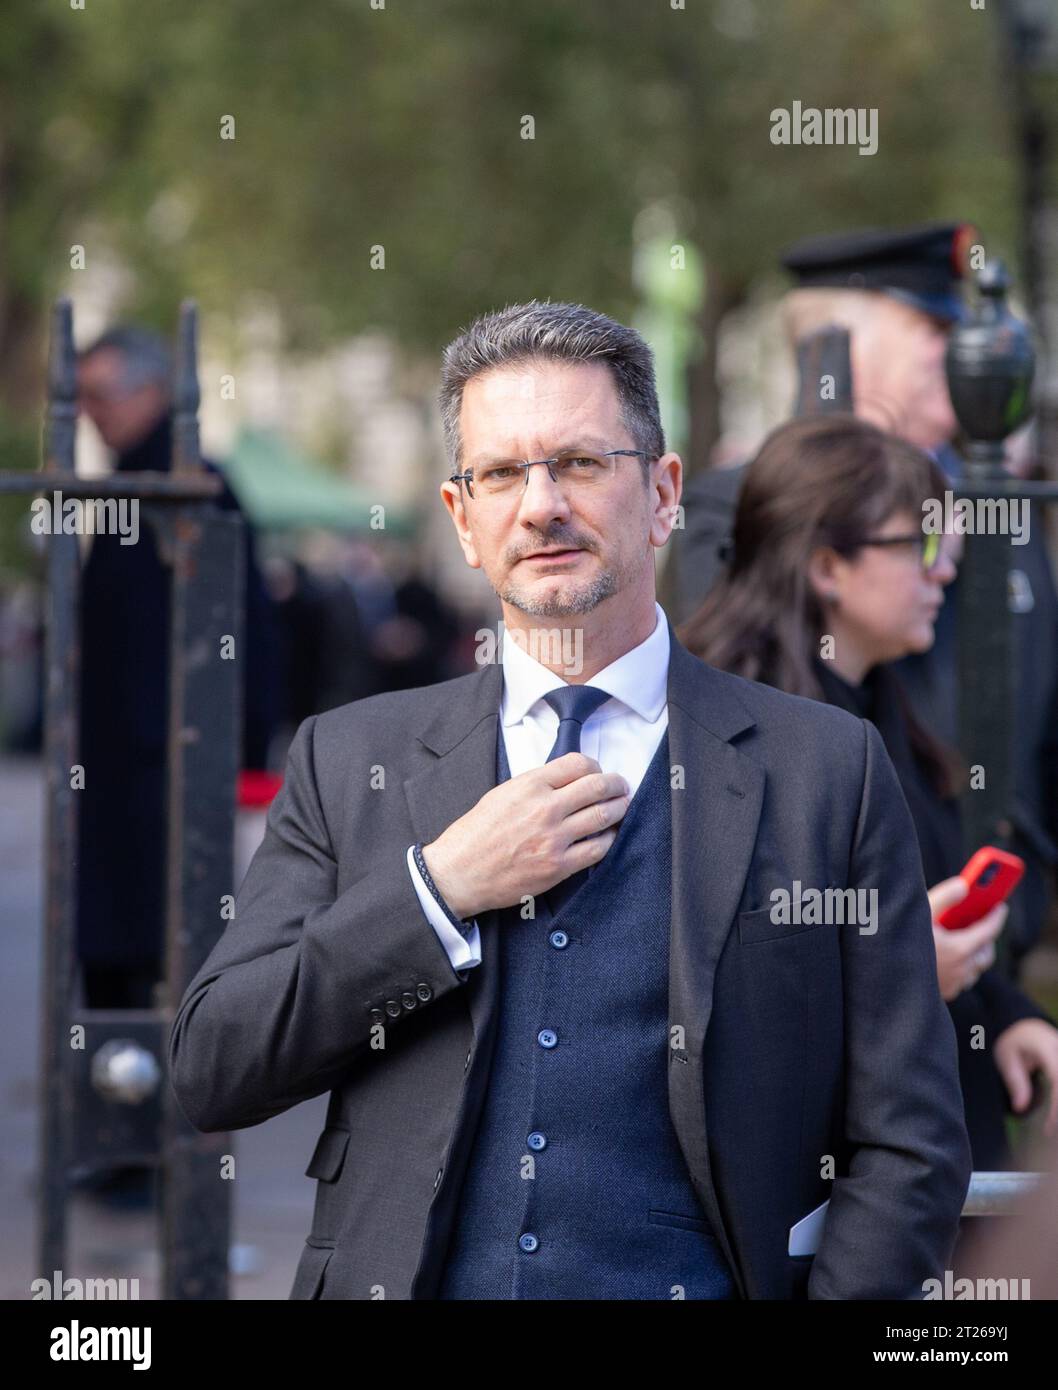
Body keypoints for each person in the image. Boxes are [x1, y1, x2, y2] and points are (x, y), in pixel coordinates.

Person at [169, 301, 971, 1301]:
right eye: (500, 473)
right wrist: (437, 891)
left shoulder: (825, 768)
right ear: (462, 520)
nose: (540, 503)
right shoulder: (348, 757)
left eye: (580, 463)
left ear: (663, 491)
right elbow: (215, 1063)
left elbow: (910, 1144)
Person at [665, 222, 1058, 971]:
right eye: (935, 328)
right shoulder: (742, 504)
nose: (969, 350)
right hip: (842, 976)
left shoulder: (998, 505)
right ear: (845, 344)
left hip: (992, 963)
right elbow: (764, 735)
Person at [678, 414, 1058, 1173]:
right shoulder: (725, 733)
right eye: (920, 547)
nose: (946, 571)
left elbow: (923, 897)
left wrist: (1008, 1014)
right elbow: (720, 986)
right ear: (827, 567)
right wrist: (909, 972)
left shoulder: (879, 696)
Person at [76, 325, 281, 1012]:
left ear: (153, 391)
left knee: (165, 954)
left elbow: (247, 626)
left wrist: (246, 749)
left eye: (101, 394)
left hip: (170, 761)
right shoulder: (134, 479)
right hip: (128, 763)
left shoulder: (189, 483)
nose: (88, 413)